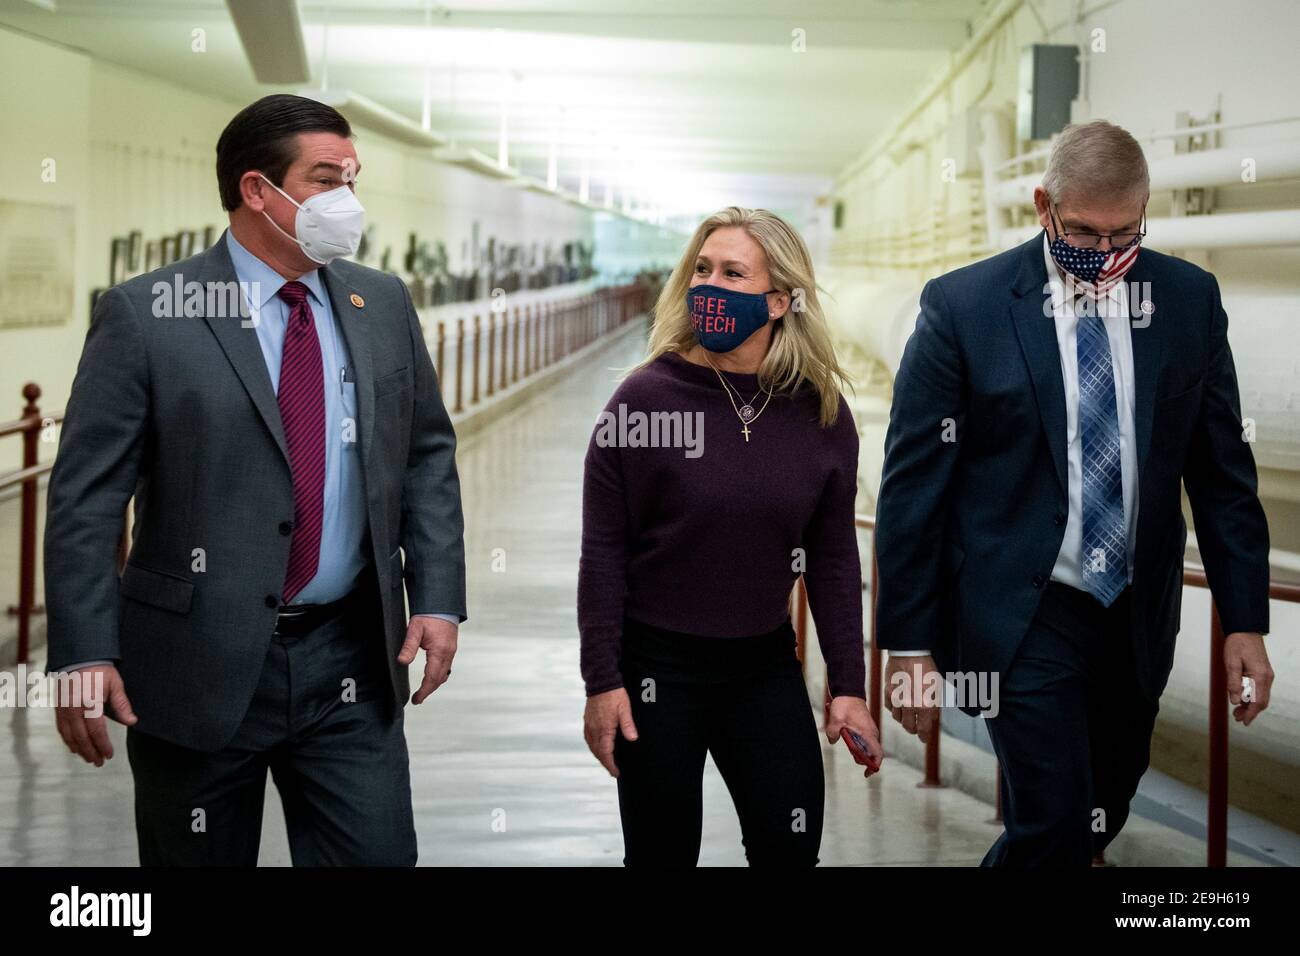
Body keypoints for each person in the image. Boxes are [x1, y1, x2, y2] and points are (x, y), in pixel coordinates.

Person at [44, 94, 467, 865]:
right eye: (325, 179)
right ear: (255, 191)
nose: (348, 200)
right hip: (195, 663)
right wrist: (82, 651)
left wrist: (436, 596)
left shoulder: (381, 305)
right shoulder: (149, 315)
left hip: (350, 661)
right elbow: (86, 498)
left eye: (353, 178)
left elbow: (425, 456)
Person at [874, 120, 1275, 865]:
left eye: (1125, 233)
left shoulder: (1186, 301)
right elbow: (913, 486)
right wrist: (907, 646)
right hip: (1021, 613)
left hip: (1133, 614)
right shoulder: (966, 308)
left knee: (1102, 806)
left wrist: (1245, 621)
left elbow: (1221, 475)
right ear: (1043, 207)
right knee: (1054, 822)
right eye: (1084, 233)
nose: (1104, 255)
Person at [578, 205, 883, 866]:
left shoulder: (819, 412)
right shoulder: (642, 401)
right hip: (656, 672)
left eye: (732, 273)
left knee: (791, 844)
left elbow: (831, 558)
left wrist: (849, 688)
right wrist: (602, 682)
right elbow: (603, 554)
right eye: (703, 269)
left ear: (779, 300)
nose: (708, 285)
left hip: (762, 665)